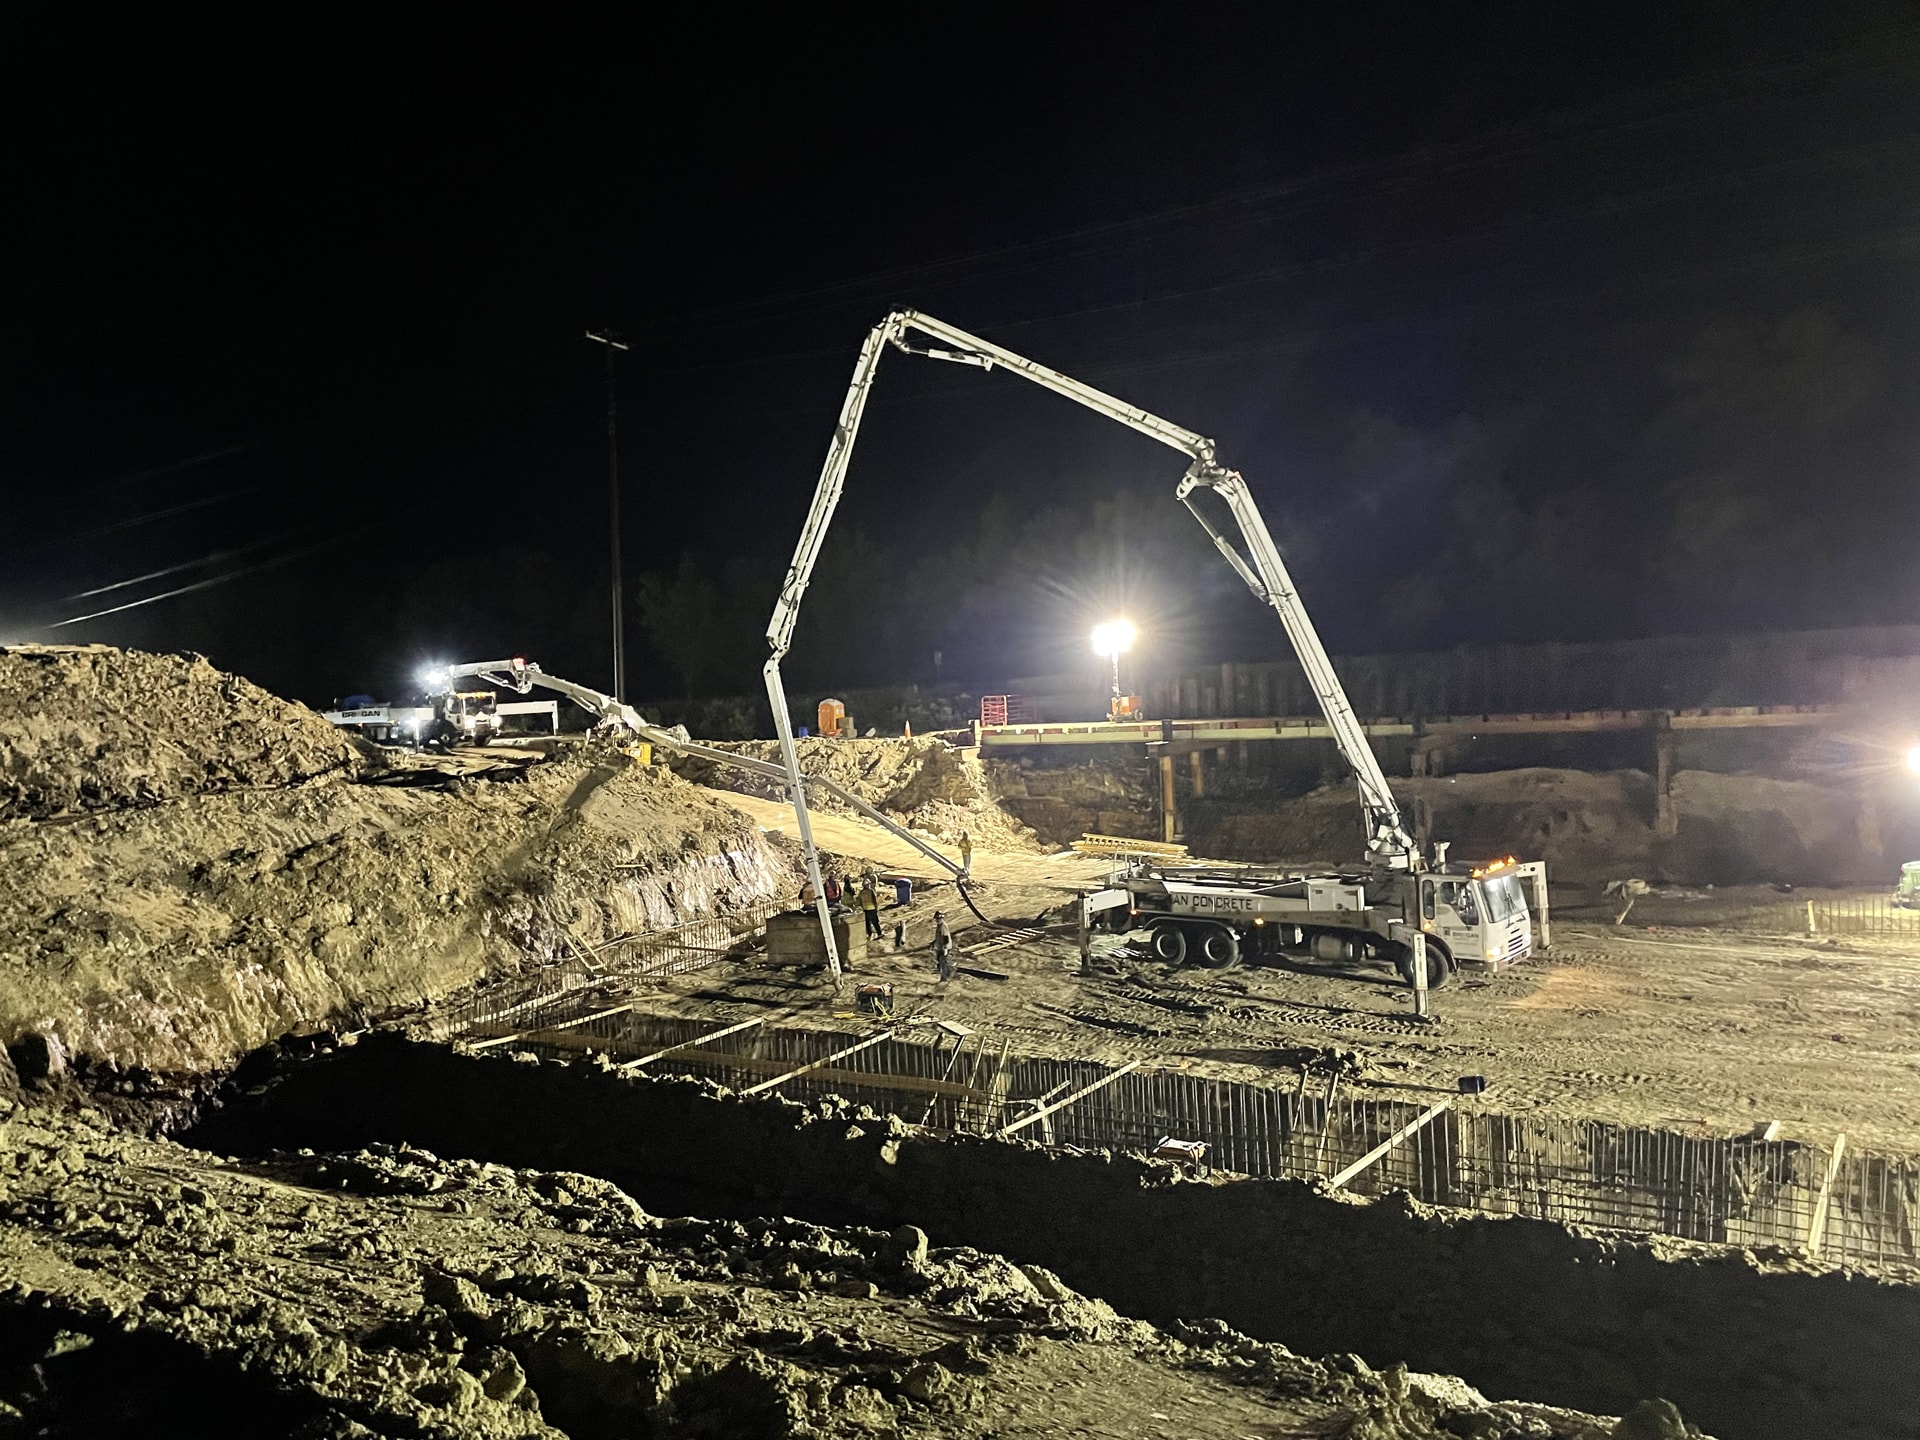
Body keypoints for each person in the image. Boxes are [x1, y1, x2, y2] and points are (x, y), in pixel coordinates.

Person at [932, 910, 954, 982]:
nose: (937, 920)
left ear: (942, 918)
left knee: (943, 963)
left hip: (944, 948)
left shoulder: (943, 926)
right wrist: (933, 943)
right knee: (940, 963)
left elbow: (945, 937)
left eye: (938, 919)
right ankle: (943, 978)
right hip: (940, 947)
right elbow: (939, 937)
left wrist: (945, 948)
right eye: (936, 919)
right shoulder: (939, 926)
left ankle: (945, 979)